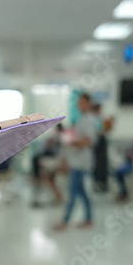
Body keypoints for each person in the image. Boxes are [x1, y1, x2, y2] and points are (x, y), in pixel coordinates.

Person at [55, 93, 97, 230]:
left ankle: (65, 221)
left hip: (81, 162)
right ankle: (88, 219)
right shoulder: (81, 120)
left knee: (72, 192)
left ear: (89, 104)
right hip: (76, 161)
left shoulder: (89, 120)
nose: (80, 105)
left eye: (83, 102)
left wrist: (72, 142)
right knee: (82, 192)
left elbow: (87, 140)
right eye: (79, 102)